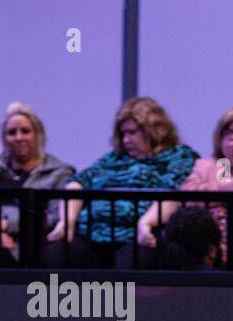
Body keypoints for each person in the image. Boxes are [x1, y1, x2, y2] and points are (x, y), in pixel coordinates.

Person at [135, 107, 233, 271]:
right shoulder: (216, 165)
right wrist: (231, 185)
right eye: (228, 132)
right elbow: (186, 196)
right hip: (213, 251)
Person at [46, 96, 198, 268]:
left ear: (154, 131)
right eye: (123, 133)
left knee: (132, 263)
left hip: (139, 235)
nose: (126, 140)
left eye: (132, 133)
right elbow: (77, 183)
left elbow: (172, 193)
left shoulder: (177, 156)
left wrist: (146, 223)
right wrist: (67, 221)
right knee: (57, 253)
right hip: (91, 233)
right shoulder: (112, 158)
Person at [0, 102, 74, 267]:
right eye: (11, 133)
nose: (18, 138)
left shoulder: (58, 172)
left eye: (25, 131)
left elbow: (55, 216)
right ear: (3, 138)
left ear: (38, 134)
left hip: (30, 244)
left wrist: (6, 224)